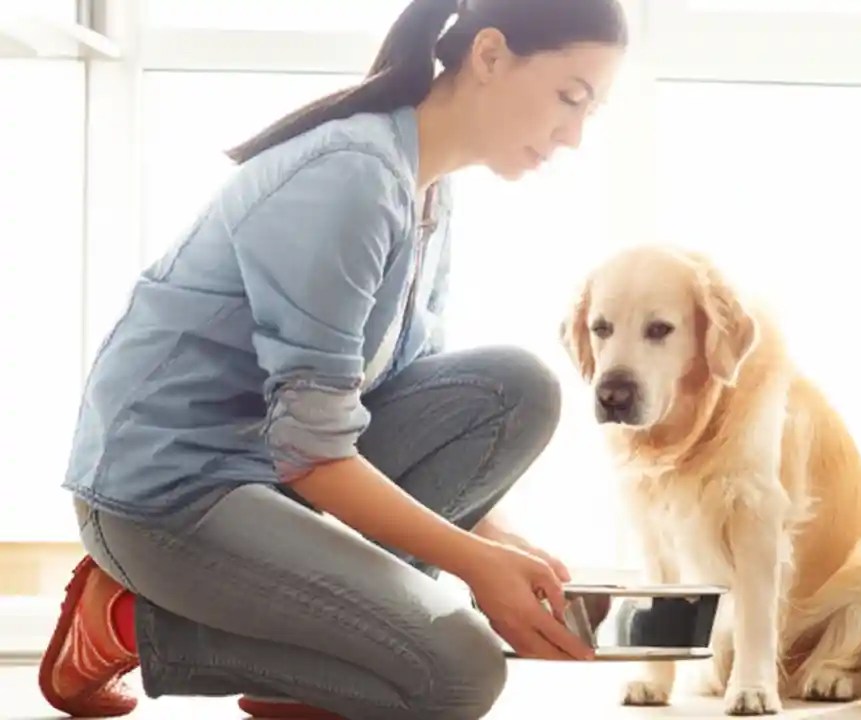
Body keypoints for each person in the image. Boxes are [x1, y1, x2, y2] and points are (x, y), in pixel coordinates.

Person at [38, 1, 628, 718]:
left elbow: (400, 393)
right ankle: (126, 622)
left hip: (270, 471)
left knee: (517, 389)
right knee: (462, 673)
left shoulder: (427, 188)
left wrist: (503, 542)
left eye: (592, 114)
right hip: (168, 496)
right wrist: (474, 566)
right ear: (490, 55)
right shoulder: (351, 175)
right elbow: (313, 449)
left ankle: (314, 668)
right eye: (570, 98)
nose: (571, 136)